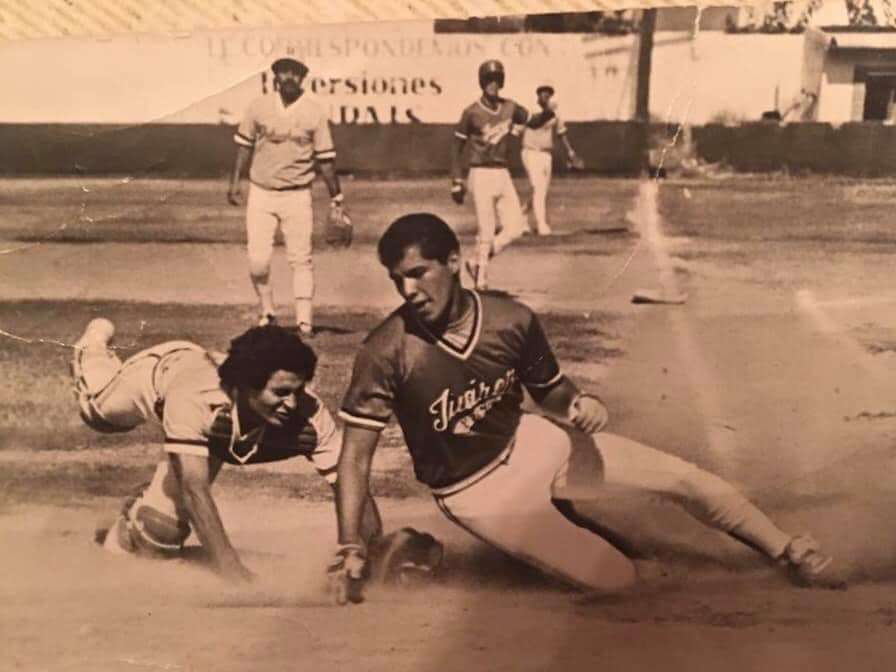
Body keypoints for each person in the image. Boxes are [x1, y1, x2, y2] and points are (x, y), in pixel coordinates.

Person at [326, 212, 843, 603]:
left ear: (454, 262)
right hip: (476, 491)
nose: (408, 289)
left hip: (532, 443)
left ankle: (787, 549)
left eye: (419, 273)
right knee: (617, 580)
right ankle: (411, 549)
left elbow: (550, 390)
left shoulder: (510, 319)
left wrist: (581, 402)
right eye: (398, 279)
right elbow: (354, 459)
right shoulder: (386, 349)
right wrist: (351, 543)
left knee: (683, 479)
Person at [71, 319, 386, 582]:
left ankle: (128, 534)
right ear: (246, 385)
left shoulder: (308, 413)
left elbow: (350, 483)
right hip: (159, 376)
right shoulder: (193, 398)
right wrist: (234, 573)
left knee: (160, 531)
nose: (292, 403)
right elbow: (195, 490)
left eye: (298, 390)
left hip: (217, 419)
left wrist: (370, 555)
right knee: (99, 416)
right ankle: (93, 345)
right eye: (280, 392)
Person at [227, 57, 348, 336]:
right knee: (257, 260)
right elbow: (244, 147)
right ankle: (267, 311)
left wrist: (337, 197)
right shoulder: (259, 106)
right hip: (261, 192)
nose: (289, 77)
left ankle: (304, 321)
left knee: (301, 258)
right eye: (284, 72)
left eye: (295, 73)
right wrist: (235, 181)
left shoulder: (314, 112)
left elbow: (326, 160)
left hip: (297, 194)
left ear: (302, 78)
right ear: (275, 77)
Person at [449, 60, 557, 291]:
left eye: (497, 80)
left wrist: (548, 111)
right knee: (486, 229)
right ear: (482, 83)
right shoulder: (472, 112)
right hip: (480, 173)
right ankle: (481, 281)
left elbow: (533, 122)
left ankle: (476, 262)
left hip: (502, 173)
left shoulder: (510, 107)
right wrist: (456, 180)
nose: (493, 85)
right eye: (489, 80)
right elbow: (456, 147)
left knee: (515, 227)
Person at [520, 85, 581, 236]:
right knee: (537, 187)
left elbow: (561, 133)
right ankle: (542, 225)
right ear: (538, 94)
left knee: (540, 190)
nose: (545, 95)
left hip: (546, 155)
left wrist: (571, 152)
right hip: (530, 152)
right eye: (543, 92)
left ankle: (521, 216)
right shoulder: (529, 110)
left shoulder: (555, 112)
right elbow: (516, 130)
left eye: (548, 93)